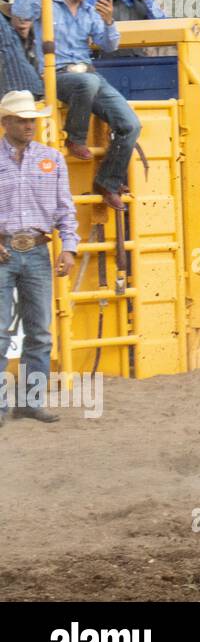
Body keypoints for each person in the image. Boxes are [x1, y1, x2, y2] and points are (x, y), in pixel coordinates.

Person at [11, 0, 142, 211]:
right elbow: (20, 10)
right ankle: (75, 137)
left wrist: (109, 22)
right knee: (87, 83)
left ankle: (108, 181)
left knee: (131, 124)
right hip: (56, 74)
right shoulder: (46, 4)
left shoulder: (89, 11)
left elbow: (109, 44)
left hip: (86, 74)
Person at [0, 90, 79, 427]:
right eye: (22, 120)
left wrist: (69, 246)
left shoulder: (52, 158)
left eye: (31, 119)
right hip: (5, 248)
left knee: (39, 330)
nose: (29, 125)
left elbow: (65, 208)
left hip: (36, 248)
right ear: (6, 123)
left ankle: (30, 403)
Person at [0, 0, 42, 96]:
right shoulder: (5, 38)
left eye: (28, 14)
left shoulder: (39, 42)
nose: (23, 19)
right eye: (19, 13)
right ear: (10, 14)